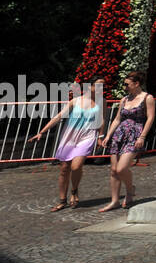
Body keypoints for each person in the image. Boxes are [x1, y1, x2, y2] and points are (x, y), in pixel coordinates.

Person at [29, 80, 103, 210]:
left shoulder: (101, 101)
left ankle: (74, 191)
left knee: (76, 166)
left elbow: (101, 120)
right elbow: (58, 117)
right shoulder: (75, 101)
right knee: (64, 168)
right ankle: (62, 200)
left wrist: (100, 137)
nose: (100, 87)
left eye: (103, 85)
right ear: (89, 86)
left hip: (87, 136)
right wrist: (42, 132)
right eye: (97, 85)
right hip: (70, 136)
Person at [96, 71, 155, 212]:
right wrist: (108, 135)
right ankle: (114, 200)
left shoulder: (147, 98)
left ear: (136, 84)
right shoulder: (124, 100)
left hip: (135, 134)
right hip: (120, 134)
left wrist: (142, 136)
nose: (125, 87)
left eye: (127, 84)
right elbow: (117, 119)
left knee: (122, 168)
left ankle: (130, 191)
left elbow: (150, 118)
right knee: (114, 170)